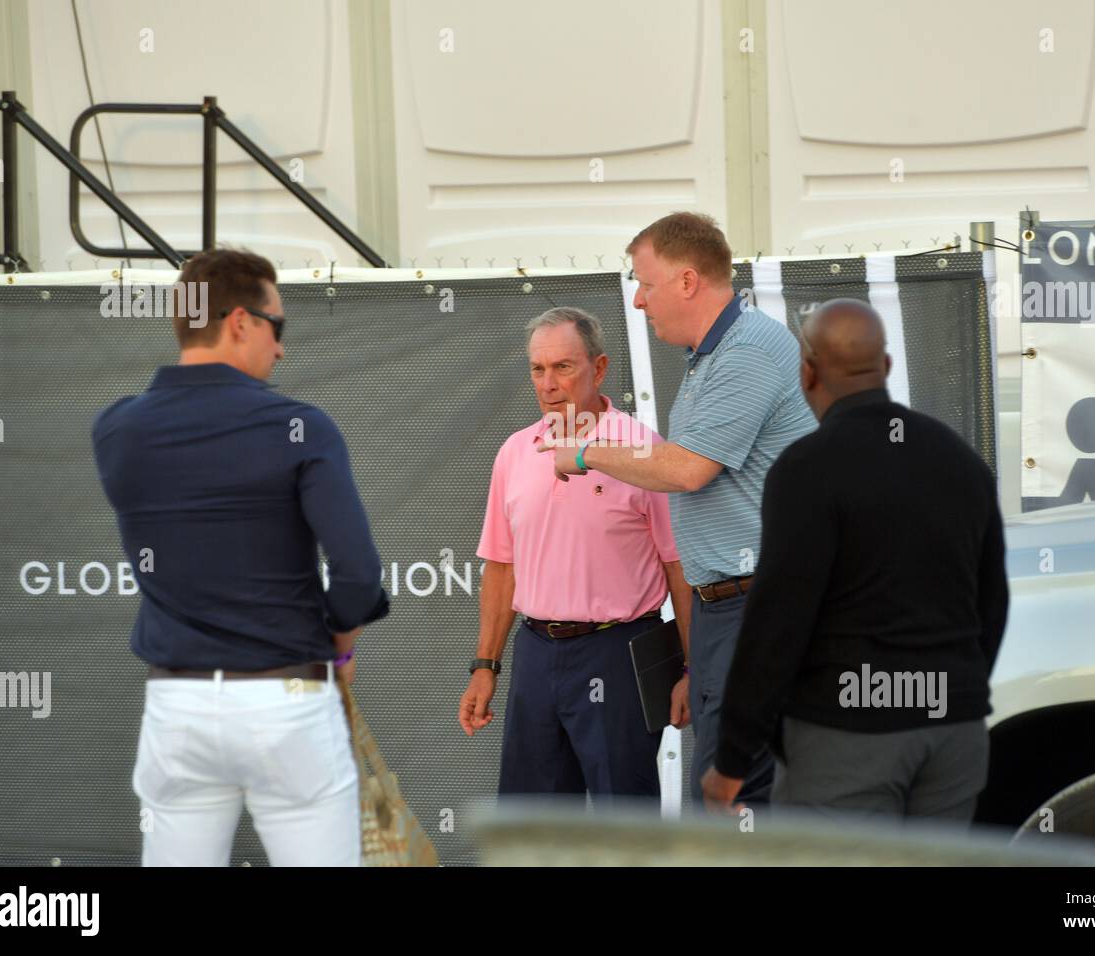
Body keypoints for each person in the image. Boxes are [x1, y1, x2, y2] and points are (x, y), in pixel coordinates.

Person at [92, 248, 389, 866]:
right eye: (278, 327)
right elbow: (358, 575)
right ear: (239, 324)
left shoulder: (117, 430)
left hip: (179, 706)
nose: (281, 348)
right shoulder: (300, 427)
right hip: (287, 701)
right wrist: (341, 649)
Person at [542, 212, 815, 805]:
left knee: (735, 804)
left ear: (688, 281)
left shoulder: (746, 354)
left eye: (645, 283)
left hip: (756, 607)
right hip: (732, 609)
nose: (638, 301)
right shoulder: (713, 356)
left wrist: (586, 452)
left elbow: (687, 469)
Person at [701, 299, 1009, 821]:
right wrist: (957, 693)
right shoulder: (958, 459)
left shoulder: (807, 469)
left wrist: (731, 759)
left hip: (845, 736)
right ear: (886, 366)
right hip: (952, 732)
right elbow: (992, 600)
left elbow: (777, 621)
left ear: (807, 371)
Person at [460, 307, 692, 798]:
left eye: (563, 367)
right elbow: (501, 568)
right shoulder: (515, 452)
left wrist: (693, 670)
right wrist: (485, 666)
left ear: (600, 368)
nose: (548, 384)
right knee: (532, 826)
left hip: (620, 654)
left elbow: (680, 569)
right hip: (535, 656)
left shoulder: (643, 450)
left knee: (622, 827)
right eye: (538, 369)